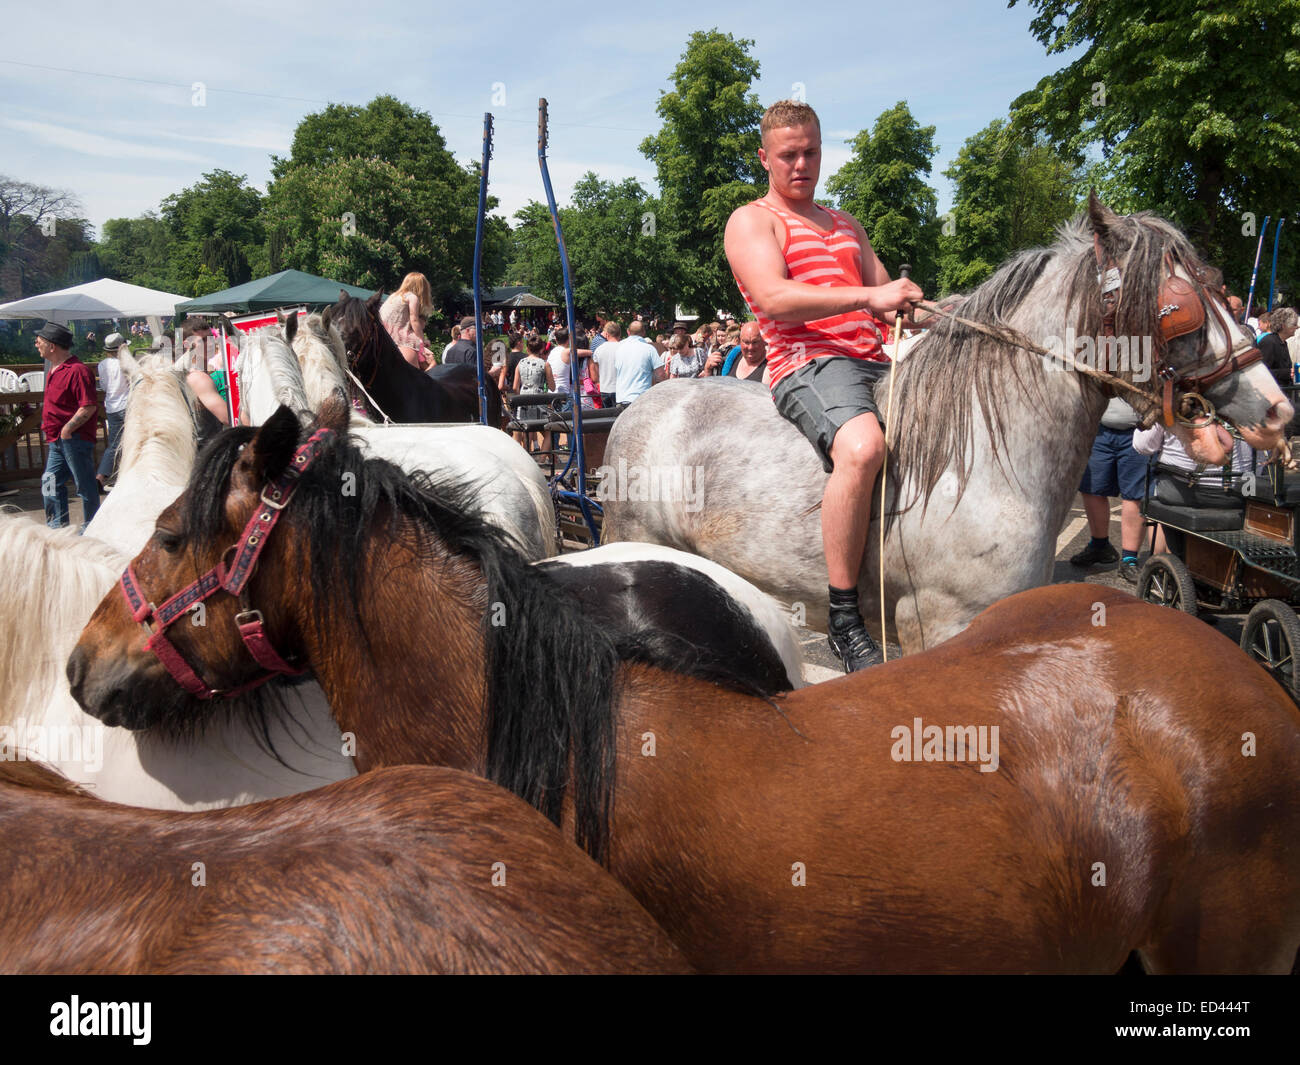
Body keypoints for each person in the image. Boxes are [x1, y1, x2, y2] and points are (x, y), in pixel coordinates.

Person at [724, 99, 922, 671]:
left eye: (811, 151)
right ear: (765, 158)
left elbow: (889, 301)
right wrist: (869, 297)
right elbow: (773, 298)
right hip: (806, 362)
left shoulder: (845, 223)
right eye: (788, 154)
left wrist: (939, 308)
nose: (801, 163)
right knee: (862, 448)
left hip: (874, 359)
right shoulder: (753, 219)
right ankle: (843, 617)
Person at [1068, 397, 1148, 582]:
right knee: (1092, 489)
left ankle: (1129, 559)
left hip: (1139, 431)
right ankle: (1099, 546)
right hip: (1100, 430)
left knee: (1133, 496)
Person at [35, 322, 100, 531]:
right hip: (56, 439)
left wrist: (67, 429)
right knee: (49, 483)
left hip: (74, 439)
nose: (36, 344)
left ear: (52, 346)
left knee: (84, 486)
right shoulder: (54, 369)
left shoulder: (77, 370)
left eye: (40, 341)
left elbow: (88, 406)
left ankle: (92, 527)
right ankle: (57, 527)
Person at [95, 332, 130, 491]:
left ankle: (103, 476)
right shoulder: (126, 363)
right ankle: (110, 476)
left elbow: (103, 386)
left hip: (110, 406)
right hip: (127, 405)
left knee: (114, 444)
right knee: (128, 442)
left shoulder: (102, 364)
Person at [380, 272, 434, 369]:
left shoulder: (393, 296)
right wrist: (421, 340)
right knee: (428, 363)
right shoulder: (412, 297)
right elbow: (414, 320)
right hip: (399, 337)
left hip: (384, 333)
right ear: (422, 288)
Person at [513, 333, 556, 453]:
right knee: (548, 432)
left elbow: (515, 387)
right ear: (542, 349)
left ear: (527, 348)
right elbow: (552, 387)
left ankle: (524, 456)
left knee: (523, 430)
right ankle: (542, 458)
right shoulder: (545, 364)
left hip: (523, 400)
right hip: (539, 400)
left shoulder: (520, 363)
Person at [612, 320, 667, 405]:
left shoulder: (618, 347)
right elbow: (661, 375)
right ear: (644, 332)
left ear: (628, 332)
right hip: (641, 400)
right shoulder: (649, 349)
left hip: (621, 398)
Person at [1258, 307, 1297, 387]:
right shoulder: (1269, 342)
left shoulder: (1282, 342)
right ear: (1284, 326)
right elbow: (1262, 371)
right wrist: (1287, 373)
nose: (1297, 327)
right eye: (1294, 324)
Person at [593, 321, 622, 407]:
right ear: (619, 333)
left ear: (606, 334)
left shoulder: (598, 350)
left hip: (604, 388)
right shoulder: (624, 347)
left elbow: (596, 370)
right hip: (620, 389)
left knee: (608, 417)